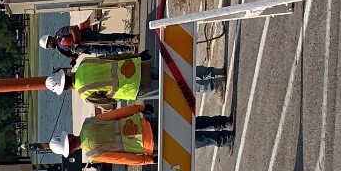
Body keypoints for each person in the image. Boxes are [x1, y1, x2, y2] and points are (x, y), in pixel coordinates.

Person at [48, 103, 235, 165]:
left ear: (71, 150)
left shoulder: (92, 154)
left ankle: (223, 138)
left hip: (147, 143)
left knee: (187, 141)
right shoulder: (88, 123)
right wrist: (140, 108)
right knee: (186, 123)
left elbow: (123, 159)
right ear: (70, 136)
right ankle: (222, 121)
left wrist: (147, 161)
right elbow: (117, 113)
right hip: (144, 124)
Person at [46, 55, 226, 109]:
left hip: (135, 87)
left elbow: (108, 105)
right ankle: (213, 72)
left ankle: (214, 85)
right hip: (134, 67)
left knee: (174, 89)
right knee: (175, 72)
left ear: (66, 89)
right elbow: (112, 57)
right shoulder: (84, 63)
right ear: (65, 72)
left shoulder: (84, 93)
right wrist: (136, 56)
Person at [43, 16, 134, 59]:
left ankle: (128, 38)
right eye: (48, 47)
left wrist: (75, 40)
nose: (49, 47)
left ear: (50, 40)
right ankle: (125, 49)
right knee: (106, 50)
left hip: (86, 36)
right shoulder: (60, 49)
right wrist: (73, 60)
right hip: (87, 48)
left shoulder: (60, 33)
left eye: (48, 46)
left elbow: (72, 29)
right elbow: (72, 55)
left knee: (107, 38)